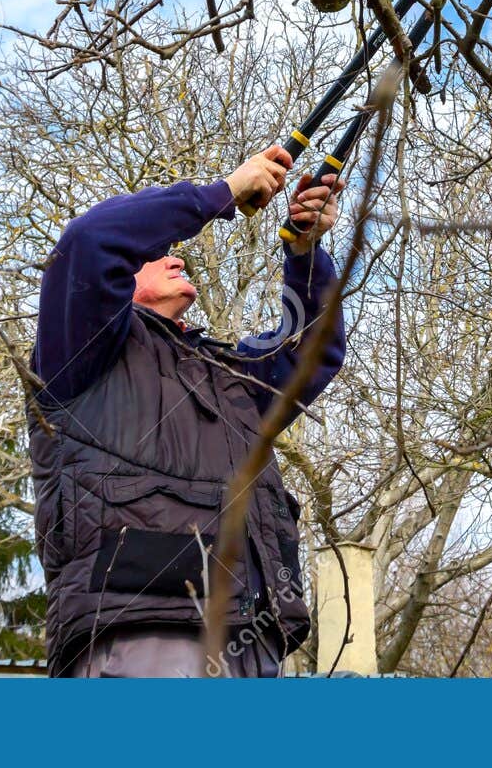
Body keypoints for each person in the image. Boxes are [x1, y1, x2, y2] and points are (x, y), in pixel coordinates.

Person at [27, 146, 346, 677]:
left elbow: (314, 352)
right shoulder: (77, 352)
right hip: (141, 633)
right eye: (158, 255)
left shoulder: (226, 376)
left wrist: (306, 251)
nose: (177, 258)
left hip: (253, 639)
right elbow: (90, 242)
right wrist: (222, 192)